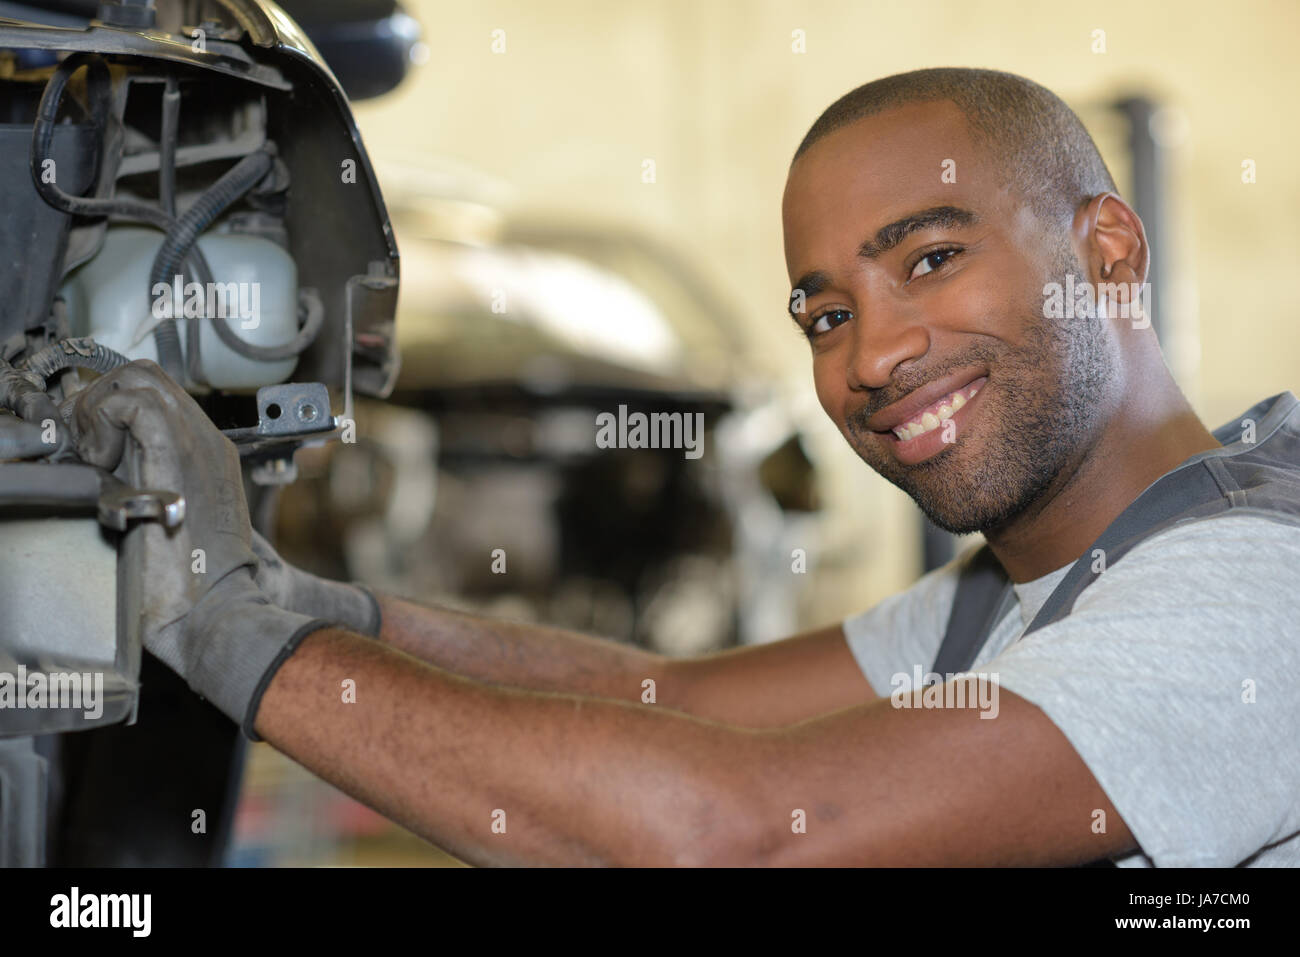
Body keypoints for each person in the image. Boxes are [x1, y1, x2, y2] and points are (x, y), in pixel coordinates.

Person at [71, 67, 1300, 867]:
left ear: (1107, 246)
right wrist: (319, 609)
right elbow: (674, 703)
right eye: (825, 316)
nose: (873, 355)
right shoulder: (1014, 591)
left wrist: (231, 632)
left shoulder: (1246, 596)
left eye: (927, 260)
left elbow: (738, 832)